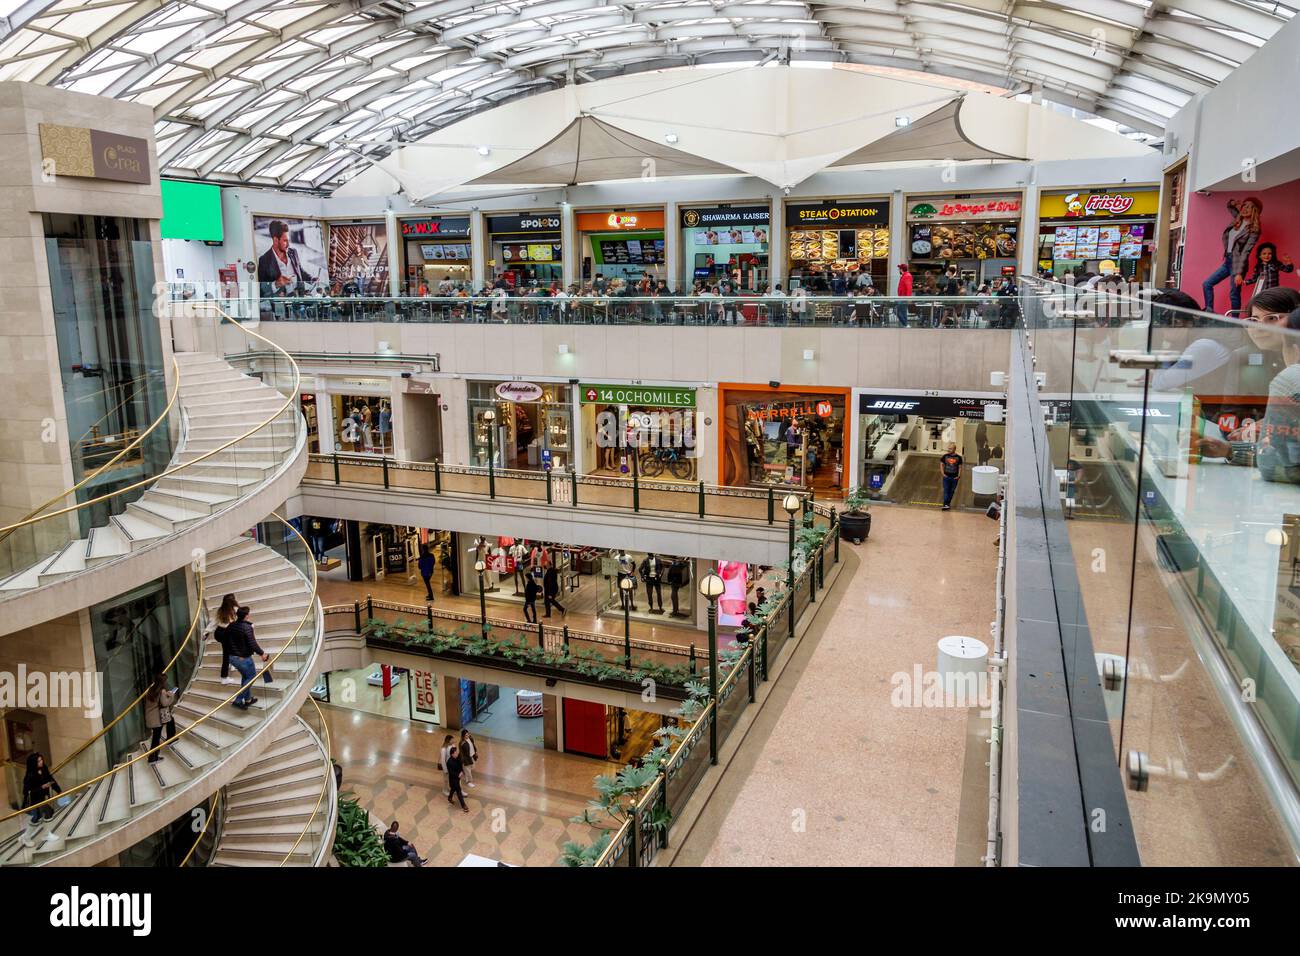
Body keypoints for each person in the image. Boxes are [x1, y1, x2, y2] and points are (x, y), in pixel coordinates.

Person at [1203, 197, 1263, 314]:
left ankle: (1235, 322)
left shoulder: (1254, 230)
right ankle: (1209, 311)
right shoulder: (1237, 219)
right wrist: (1233, 203)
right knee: (1207, 284)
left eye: (1249, 207)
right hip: (1227, 261)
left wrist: (1239, 273)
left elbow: (1246, 251)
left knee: (1234, 294)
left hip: (1238, 264)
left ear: (1254, 211)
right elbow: (1230, 207)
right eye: (1244, 205)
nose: (1245, 208)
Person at [226, 606, 271, 709]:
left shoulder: (231, 625)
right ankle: (238, 701)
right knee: (251, 677)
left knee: (246, 676)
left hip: (232, 658)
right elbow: (252, 643)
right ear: (247, 616)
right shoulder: (247, 627)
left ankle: (247, 700)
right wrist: (262, 654)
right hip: (243, 659)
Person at [144, 672, 178, 762]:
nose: (166, 682)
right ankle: (152, 758)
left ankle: (170, 739)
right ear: (163, 682)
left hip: (151, 717)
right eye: (165, 680)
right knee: (156, 738)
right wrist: (171, 696)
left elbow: (157, 701)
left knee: (170, 721)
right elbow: (165, 703)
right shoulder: (161, 691)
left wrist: (165, 695)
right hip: (157, 718)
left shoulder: (151, 690)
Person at [21, 752, 60, 827]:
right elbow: (28, 791)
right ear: (34, 763)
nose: (41, 762)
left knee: (37, 818)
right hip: (35, 800)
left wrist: (58, 790)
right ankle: (46, 834)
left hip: (43, 797)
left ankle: (27, 835)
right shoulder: (30, 775)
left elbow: (50, 778)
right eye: (38, 761)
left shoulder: (44, 768)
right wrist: (42, 787)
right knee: (47, 813)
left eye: (41, 759)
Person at [214, 593, 239, 685]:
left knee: (231, 648)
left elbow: (214, 622)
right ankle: (224, 677)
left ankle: (232, 663)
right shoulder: (234, 609)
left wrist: (206, 632)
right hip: (225, 633)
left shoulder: (221, 610)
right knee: (226, 654)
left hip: (219, 632)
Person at [939, 441, 963, 511]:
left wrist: (958, 476)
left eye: (950, 449)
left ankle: (947, 504)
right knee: (946, 490)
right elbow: (941, 464)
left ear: (954, 449)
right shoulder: (945, 456)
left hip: (954, 478)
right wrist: (943, 474)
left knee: (952, 491)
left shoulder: (959, 457)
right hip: (946, 477)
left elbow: (960, 467)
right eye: (948, 448)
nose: (948, 450)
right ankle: (945, 504)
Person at [446, 744, 469, 812]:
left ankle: (449, 798)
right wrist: (458, 775)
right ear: (452, 754)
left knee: (453, 788)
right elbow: (451, 772)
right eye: (455, 753)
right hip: (453, 779)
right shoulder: (449, 762)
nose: (457, 753)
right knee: (458, 791)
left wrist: (462, 771)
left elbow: (461, 765)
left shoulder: (458, 758)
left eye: (457, 752)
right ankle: (464, 805)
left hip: (458, 777)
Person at [895, 263, 913, 327]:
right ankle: (905, 324)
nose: (899, 270)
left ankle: (905, 324)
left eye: (899, 269)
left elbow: (909, 288)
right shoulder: (905, 275)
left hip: (903, 297)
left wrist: (908, 298)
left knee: (896, 310)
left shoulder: (907, 276)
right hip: (902, 297)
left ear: (901, 269)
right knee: (903, 311)